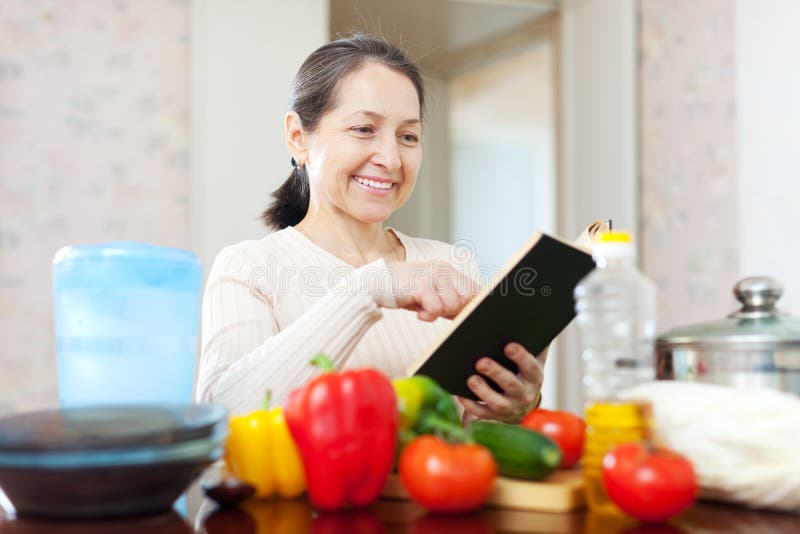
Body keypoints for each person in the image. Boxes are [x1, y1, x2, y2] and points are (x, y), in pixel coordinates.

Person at [196, 34, 604, 422]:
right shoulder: (249, 268)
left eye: (408, 136)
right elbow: (224, 424)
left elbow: (465, 452)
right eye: (364, 129)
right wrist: (372, 287)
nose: (391, 159)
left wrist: (515, 409)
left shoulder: (447, 263)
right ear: (298, 137)